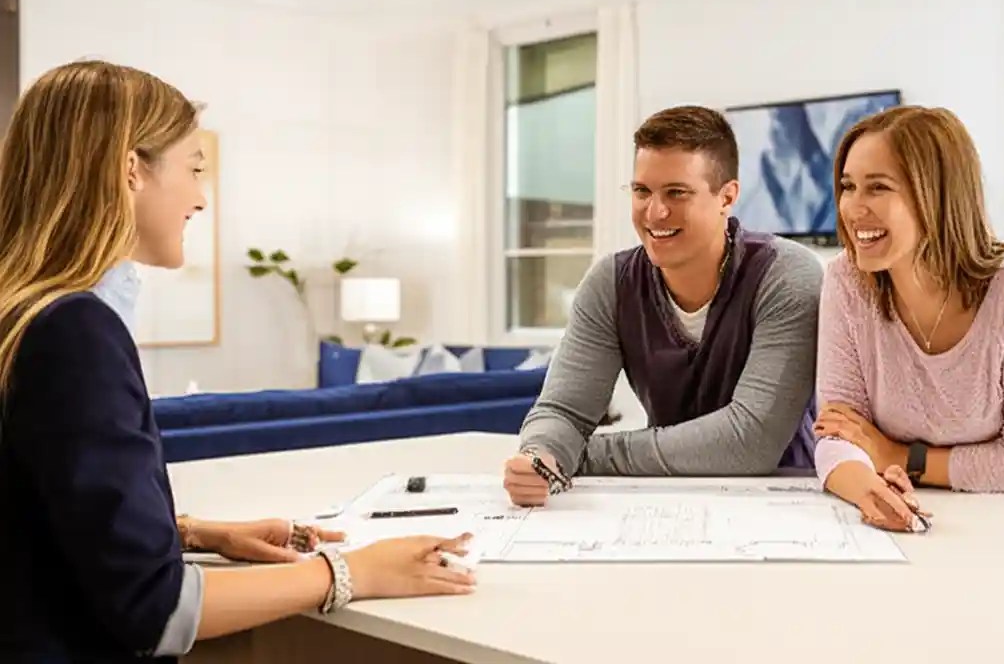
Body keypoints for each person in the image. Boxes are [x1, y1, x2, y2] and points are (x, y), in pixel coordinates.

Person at [0, 60, 476, 663]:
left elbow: (35, 519)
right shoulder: (75, 330)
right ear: (130, 170)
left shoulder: (21, 315)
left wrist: (197, 534)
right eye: (195, 169)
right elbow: (158, 612)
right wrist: (350, 570)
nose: (200, 197)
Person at [503, 105, 823, 505]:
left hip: (787, 500)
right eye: (642, 191)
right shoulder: (611, 284)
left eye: (676, 192)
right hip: (664, 497)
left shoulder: (787, 275)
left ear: (727, 197)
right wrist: (542, 454)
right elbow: (563, 410)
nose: (655, 212)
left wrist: (582, 455)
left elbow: (750, 440)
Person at [813, 105, 1004, 531]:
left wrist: (900, 458)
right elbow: (838, 431)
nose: (853, 208)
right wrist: (871, 490)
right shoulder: (846, 282)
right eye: (848, 186)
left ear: (938, 195)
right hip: (921, 521)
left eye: (878, 188)